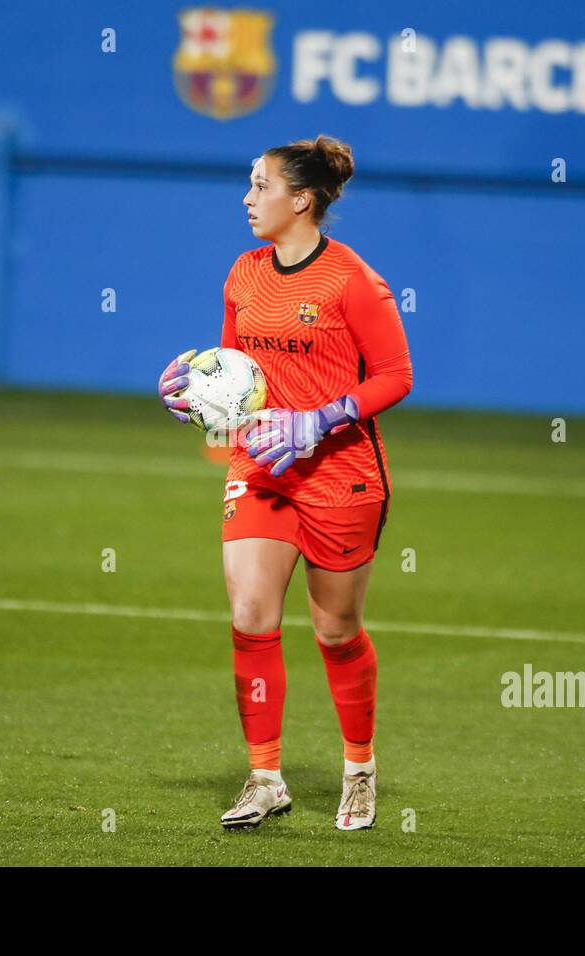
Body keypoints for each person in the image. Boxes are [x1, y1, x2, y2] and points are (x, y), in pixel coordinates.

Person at [158, 134, 413, 831]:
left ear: (301, 199)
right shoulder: (243, 272)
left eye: (260, 185)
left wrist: (319, 420)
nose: (247, 197)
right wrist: (192, 396)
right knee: (250, 615)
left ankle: (358, 770)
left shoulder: (352, 280)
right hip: (262, 467)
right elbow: (233, 374)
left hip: (340, 474)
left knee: (335, 631)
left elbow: (396, 375)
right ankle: (265, 776)